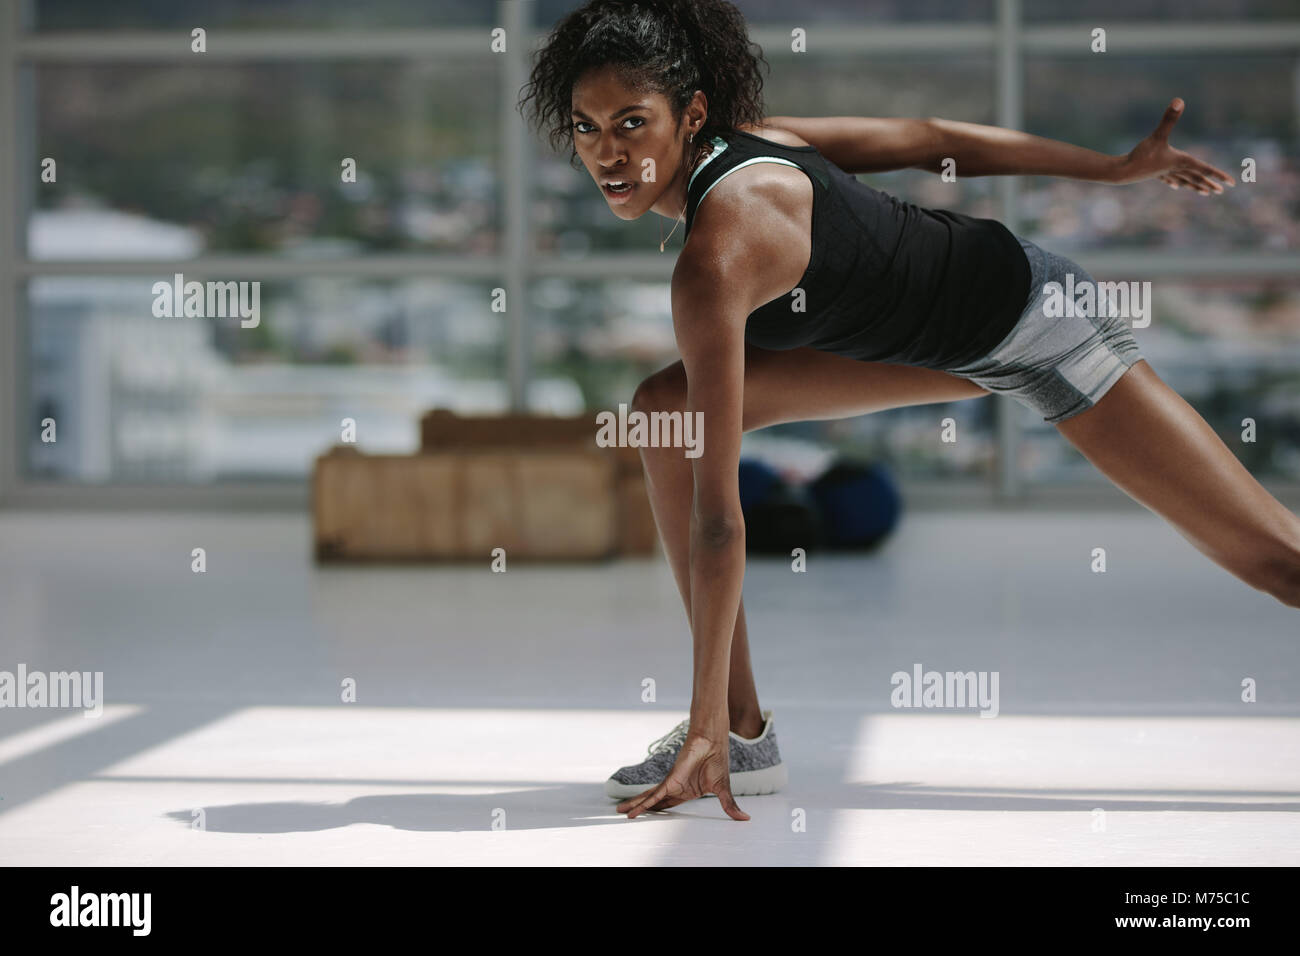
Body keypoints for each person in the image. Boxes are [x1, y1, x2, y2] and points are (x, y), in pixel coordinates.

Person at [519, 0, 1296, 822]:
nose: (609, 153)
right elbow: (930, 138)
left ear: (693, 114)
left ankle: (721, 730)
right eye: (588, 127)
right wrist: (1107, 170)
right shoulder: (762, 141)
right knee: (661, 411)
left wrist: (1112, 171)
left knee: (1276, 561)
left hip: (1044, 322)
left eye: (632, 124)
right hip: (953, 350)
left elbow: (721, 520)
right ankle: (742, 735)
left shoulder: (719, 254)